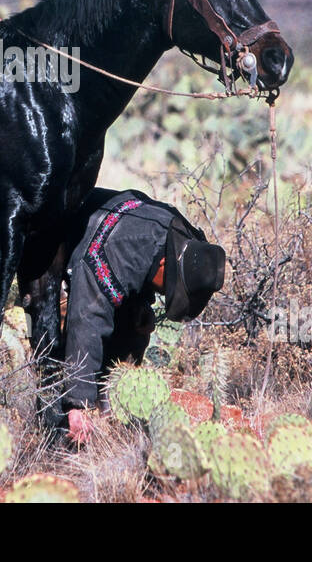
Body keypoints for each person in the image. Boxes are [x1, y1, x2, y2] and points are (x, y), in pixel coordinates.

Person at [56, 188, 226, 444]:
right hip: (59, 235)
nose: (163, 294)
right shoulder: (116, 252)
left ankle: (110, 415)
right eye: (166, 288)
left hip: (112, 239)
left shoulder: (186, 241)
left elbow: (143, 264)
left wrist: (142, 301)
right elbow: (86, 319)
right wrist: (78, 403)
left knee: (135, 327)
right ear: (162, 265)